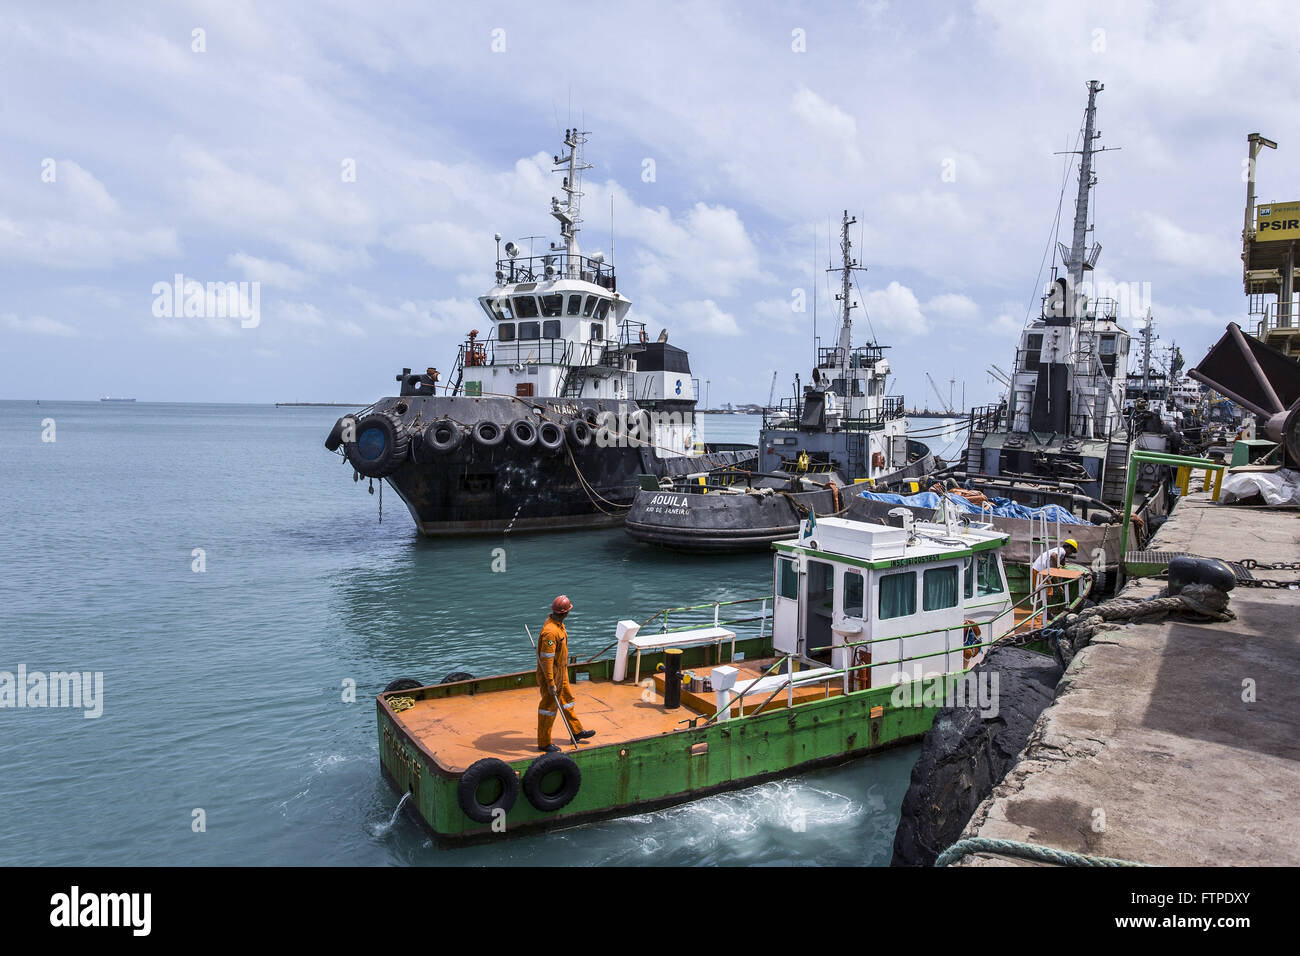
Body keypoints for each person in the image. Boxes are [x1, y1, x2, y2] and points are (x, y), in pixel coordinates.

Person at [536, 595, 595, 753]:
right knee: (548, 709)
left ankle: (576, 731)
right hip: (553, 675)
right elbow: (547, 660)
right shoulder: (550, 632)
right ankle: (544, 742)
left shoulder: (558, 626)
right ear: (565, 613)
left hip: (562, 672)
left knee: (567, 700)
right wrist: (550, 683)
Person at [1030, 539, 1079, 604]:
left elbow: (1062, 563)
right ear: (1069, 548)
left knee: (1043, 590)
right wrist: (1057, 569)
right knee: (1048, 591)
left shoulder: (1059, 550)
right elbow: (1053, 556)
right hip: (1041, 570)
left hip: (1037, 568)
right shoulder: (1062, 551)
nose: (1071, 553)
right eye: (1071, 551)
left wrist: (1062, 560)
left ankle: (1042, 609)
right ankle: (1047, 611)